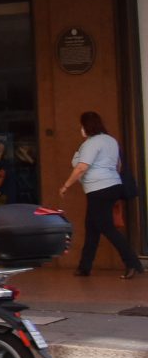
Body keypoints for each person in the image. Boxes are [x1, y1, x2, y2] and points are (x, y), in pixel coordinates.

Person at [60, 111, 143, 280]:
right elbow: (118, 164)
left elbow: (82, 167)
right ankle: (84, 267)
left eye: (82, 126)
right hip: (112, 185)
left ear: (87, 126)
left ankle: (133, 263)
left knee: (106, 227)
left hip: (98, 188)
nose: (81, 129)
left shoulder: (92, 143)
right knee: (92, 227)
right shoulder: (111, 140)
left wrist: (66, 185)